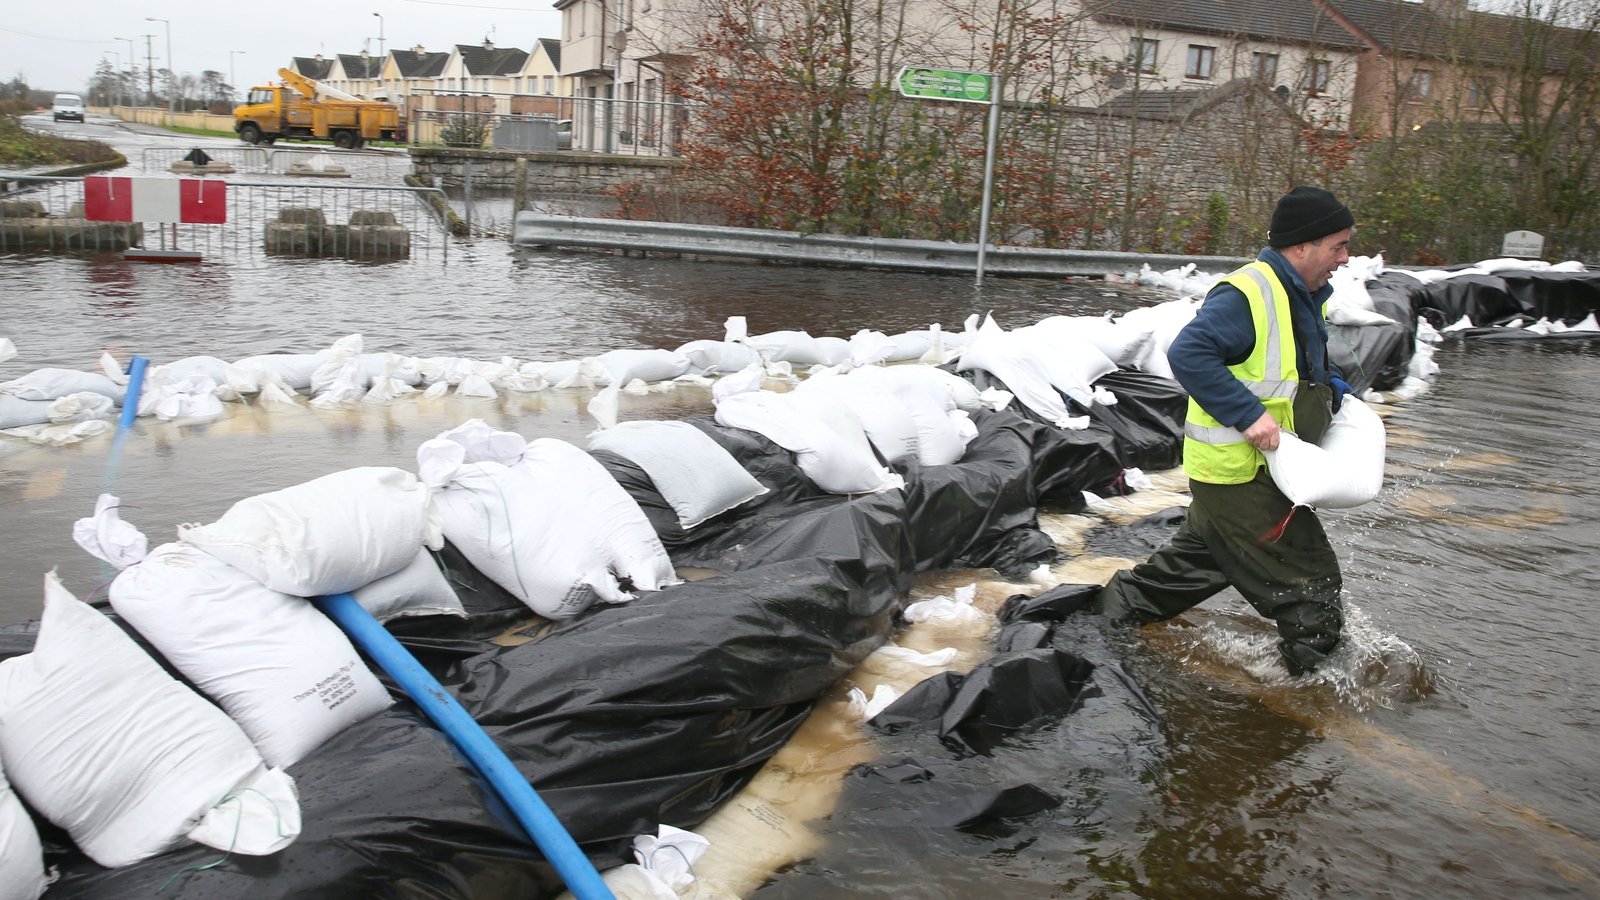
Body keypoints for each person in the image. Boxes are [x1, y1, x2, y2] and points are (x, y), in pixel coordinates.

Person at [1094, 185, 1356, 676]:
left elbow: (1296, 370)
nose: (1345, 257)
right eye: (1337, 246)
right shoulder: (1249, 293)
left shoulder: (1303, 293)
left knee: (1185, 573)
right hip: (1242, 476)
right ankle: (1314, 698)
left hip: (1247, 474)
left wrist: (1339, 392)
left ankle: (1095, 622)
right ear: (1302, 246)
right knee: (1311, 589)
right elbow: (1189, 353)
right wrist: (1248, 414)